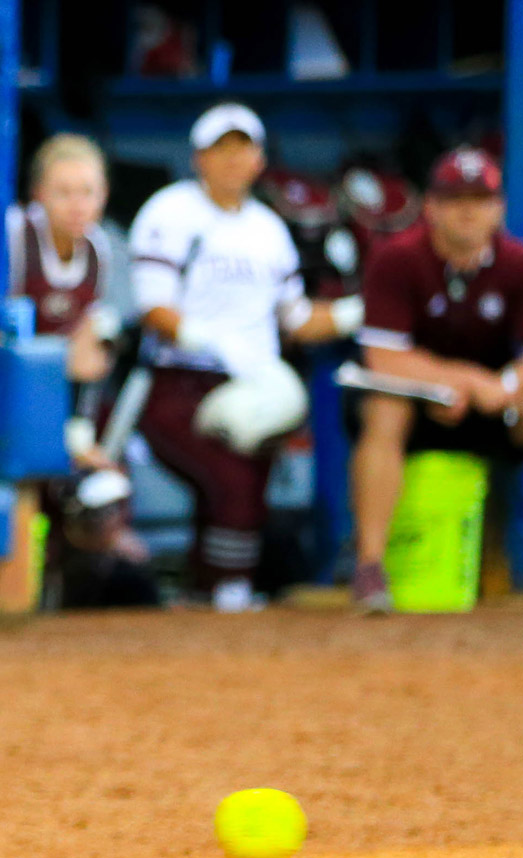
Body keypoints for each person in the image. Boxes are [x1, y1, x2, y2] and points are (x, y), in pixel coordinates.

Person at [348, 148, 523, 612]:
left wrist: (504, 386)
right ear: (431, 207)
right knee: (383, 408)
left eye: (480, 199)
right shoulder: (396, 258)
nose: (468, 210)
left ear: (499, 209)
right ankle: (370, 568)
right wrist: (456, 380)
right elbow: (382, 356)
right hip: (419, 405)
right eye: (455, 198)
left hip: (494, 407)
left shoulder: (520, 263)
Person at [129, 102, 363, 611]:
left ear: (260, 160)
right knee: (228, 472)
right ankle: (226, 589)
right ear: (199, 158)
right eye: (222, 149)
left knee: (249, 477)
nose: (234, 161)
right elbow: (153, 306)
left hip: (253, 380)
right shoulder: (170, 212)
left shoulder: (268, 229)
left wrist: (354, 313)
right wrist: (207, 338)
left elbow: (296, 319)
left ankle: (208, 586)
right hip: (178, 377)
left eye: (244, 149)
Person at [9, 133, 157, 606]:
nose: (77, 205)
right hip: (10, 398)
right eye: (63, 191)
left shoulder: (103, 249)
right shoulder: (15, 236)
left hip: (67, 404)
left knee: (107, 477)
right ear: (38, 195)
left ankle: (82, 577)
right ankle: (21, 584)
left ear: (104, 196)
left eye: (87, 192)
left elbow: (94, 356)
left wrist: (78, 434)